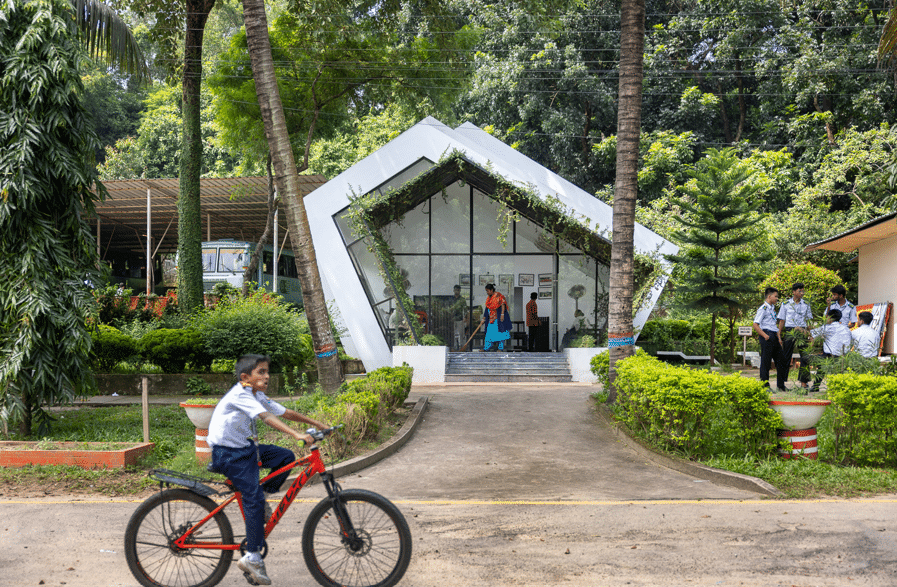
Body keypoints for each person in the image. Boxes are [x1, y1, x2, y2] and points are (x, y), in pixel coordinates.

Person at [207, 354, 327, 585]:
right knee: (252, 501)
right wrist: (296, 434)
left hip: (245, 449)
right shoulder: (241, 394)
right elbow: (267, 417)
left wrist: (316, 424)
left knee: (285, 457)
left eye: (267, 371)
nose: (267, 376)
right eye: (260, 372)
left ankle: (263, 494)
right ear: (245, 377)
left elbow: (284, 412)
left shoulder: (256, 394)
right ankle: (252, 556)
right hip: (228, 454)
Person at [777, 282, 813, 390]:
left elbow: (809, 321)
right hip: (790, 331)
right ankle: (781, 383)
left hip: (802, 331)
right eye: (799, 291)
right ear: (793, 292)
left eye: (803, 291)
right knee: (786, 357)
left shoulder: (806, 304)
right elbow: (782, 320)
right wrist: (779, 335)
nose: (802, 293)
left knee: (805, 356)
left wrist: (811, 335)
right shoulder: (785, 304)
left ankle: (804, 382)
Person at [808, 309, 853, 393]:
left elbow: (812, 333)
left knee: (806, 360)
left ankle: (809, 385)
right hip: (844, 356)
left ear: (830, 317)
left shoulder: (828, 327)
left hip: (830, 356)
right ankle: (818, 386)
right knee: (824, 363)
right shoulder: (846, 328)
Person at [752, 287, 787, 391]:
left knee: (781, 360)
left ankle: (780, 386)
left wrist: (778, 337)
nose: (777, 298)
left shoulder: (772, 308)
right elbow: (755, 324)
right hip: (766, 335)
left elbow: (773, 324)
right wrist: (765, 335)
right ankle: (765, 386)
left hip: (774, 335)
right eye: (775, 296)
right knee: (766, 362)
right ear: (769, 296)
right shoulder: (763, 308)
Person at [477, 283, 511, 351]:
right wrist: (484, 318)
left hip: (498, 318)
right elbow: (487, 309)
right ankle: (486, 348)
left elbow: (503, 304)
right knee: (489, 334)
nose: (487, 292)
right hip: (491, 319)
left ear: (491, 290)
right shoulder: (488, 298)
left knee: (500, 334)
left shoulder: (498, 295)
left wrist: (502, 314)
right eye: (486, 291)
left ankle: (500, 348)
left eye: (488, 291)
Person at [450, 285, 467, 350]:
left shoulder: (462, 299)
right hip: (452, 318)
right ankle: (454, 346)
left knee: (461, 333)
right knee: (453, 333)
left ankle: (460, 346)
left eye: (458, 290)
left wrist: (465, 317)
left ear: (460, 291)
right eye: (455, 290)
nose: (456, 291)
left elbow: (465, 309)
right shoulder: (451, 299)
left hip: (460, 318)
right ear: (453, 290)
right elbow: (449, 308)